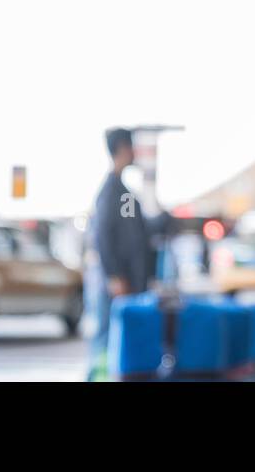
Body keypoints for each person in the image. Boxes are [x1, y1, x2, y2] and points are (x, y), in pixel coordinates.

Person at [86, 127, 151, 381]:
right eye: (132, 146)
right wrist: (115, 276)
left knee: (113, 339)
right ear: (123, 148)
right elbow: (102, 237)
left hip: (122, 281)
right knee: (106, 340)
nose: (135, 152)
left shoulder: (120, 190)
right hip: (114, 283)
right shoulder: (112, 191)